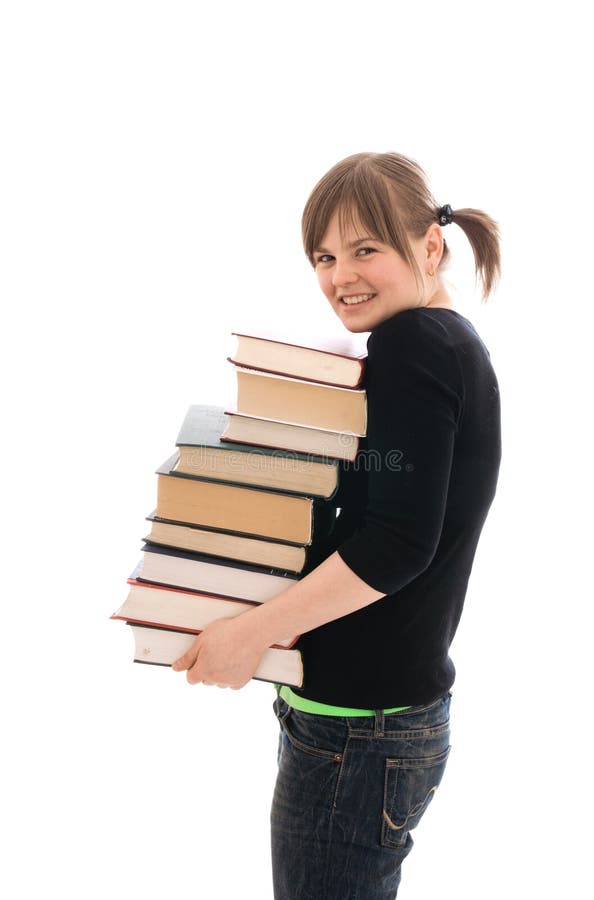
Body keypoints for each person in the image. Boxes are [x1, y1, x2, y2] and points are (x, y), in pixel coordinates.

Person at [172, 151, 502, 899]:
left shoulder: (416, 344)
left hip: (360, 732)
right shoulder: (443, 345)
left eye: (364, 249)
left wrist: (250, 633)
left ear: (428, 246)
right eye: (324, 256)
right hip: (369, 723)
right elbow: (387, 510)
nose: (339, 276)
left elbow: (397, 544)